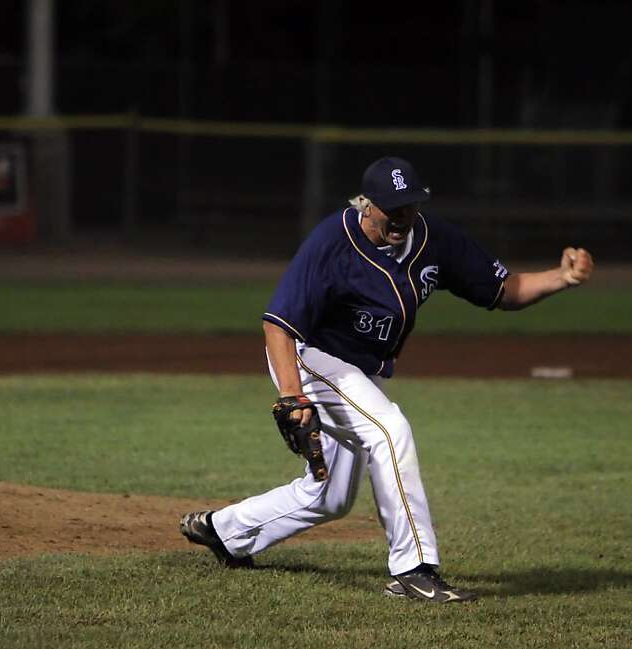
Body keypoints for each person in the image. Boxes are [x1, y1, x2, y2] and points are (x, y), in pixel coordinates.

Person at [181, 156, 594, 602]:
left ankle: (226, 532)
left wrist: (562, 278)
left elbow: (504, 290)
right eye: (391, 207)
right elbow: (278, 325)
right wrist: (291, 396)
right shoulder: (332, 241)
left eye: (410, 205)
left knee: (330, 498)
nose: (401, 216)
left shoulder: (433, 238)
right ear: (366, 204)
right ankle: (413, 568)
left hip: (360, 373)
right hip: (309, 357)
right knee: (390, 430)